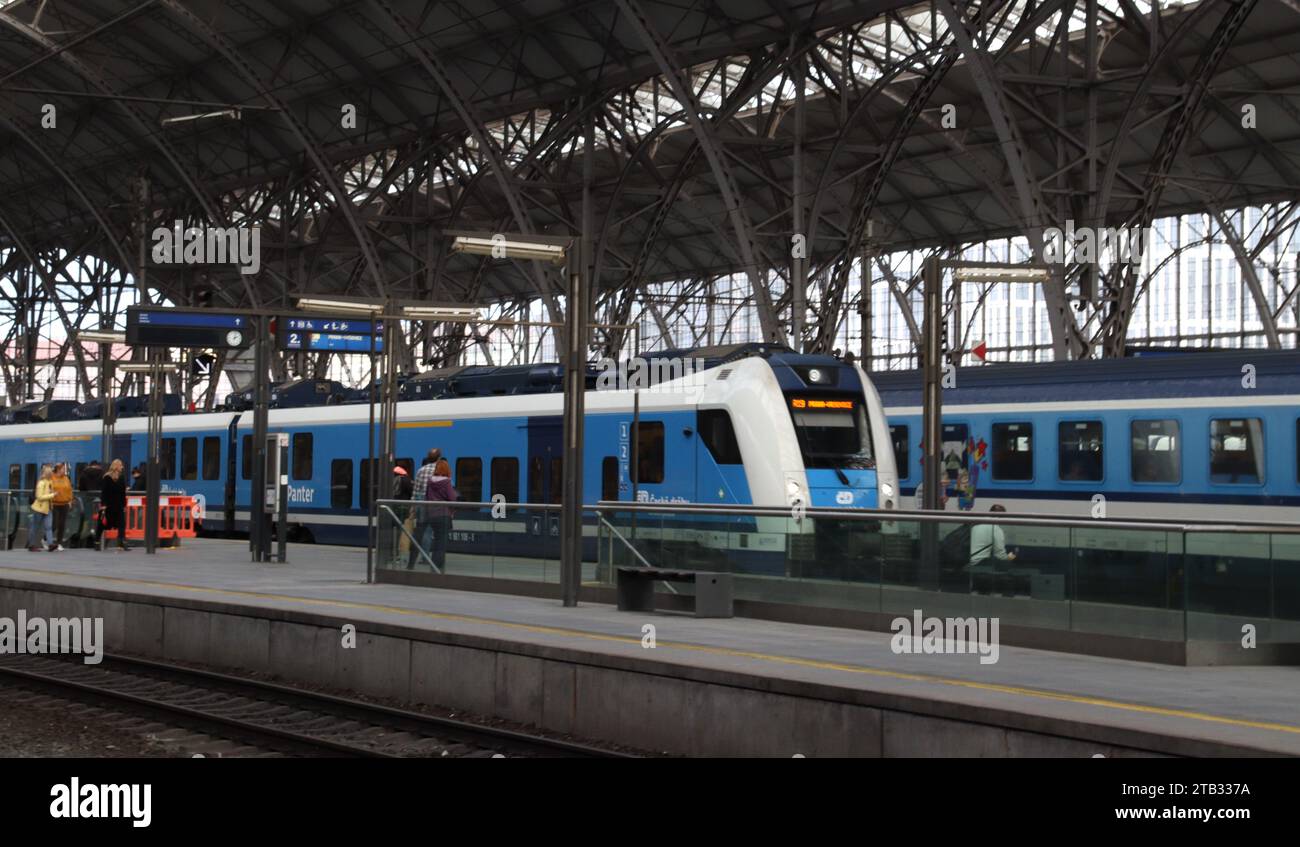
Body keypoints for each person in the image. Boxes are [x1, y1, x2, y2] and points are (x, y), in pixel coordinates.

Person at [422, 458, 459, 572]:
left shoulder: (430, 481)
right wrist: (452, 511)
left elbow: (426, 497)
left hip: (432, 515)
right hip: (443, 515)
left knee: (437, 541)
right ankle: (436, 568)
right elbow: (452, 499)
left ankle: (435, 567)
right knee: (441, 543)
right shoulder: (447, 482)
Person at [407, 449, 442, 569]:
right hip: (437, 504)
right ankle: (435, 561)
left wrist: (412, 507)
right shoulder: (441, 470)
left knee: (423, 531)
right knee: (437, 532)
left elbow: (416, 491)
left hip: (422, 502)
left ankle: (424, 557)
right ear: (438, 458)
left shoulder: (421, 471)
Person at [969, 504, 1015, 568]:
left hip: (967, 560)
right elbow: (1000, 556)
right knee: (1013, 555)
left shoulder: (976, 524)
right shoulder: (996, 528)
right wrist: (1012, 556)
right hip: (980, 563)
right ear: (1002, 517)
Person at [100, 459, 129, 551]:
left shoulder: (121, 477)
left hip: (119, 505)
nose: (122, 467)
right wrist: (104, 504)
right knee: (106, 524)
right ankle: (97, 541)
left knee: (122, 524)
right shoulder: (107, 477)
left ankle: (122, 542)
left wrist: (124, 504)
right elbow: (104, 492)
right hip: (109, 505)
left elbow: (122, 492)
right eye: (121, 465)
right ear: (116, 466)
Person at [29, 465, 55, 552]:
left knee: (49, 527)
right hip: (39, 509)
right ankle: (31, 545)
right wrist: (52, 495)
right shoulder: (41, 483)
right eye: (51, 472)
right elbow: (39, 497)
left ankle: (50, 544)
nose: (52, 474)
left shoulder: (49, 482)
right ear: (48, 473)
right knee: (35, 527)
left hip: (48, 509)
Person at [50, 462, 74, 551]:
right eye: (63, 469)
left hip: (65, 504)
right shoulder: (51, 477)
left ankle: (59, 543)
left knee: (62, 524)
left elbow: (69, 490)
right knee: (55, 524)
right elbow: (48, 488)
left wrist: (70, 500)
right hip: (54, 503)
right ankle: (45, 538)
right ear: (58, 469)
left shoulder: (66, 478)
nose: (65, 470)